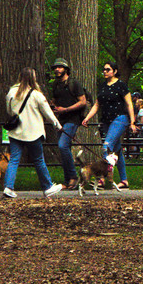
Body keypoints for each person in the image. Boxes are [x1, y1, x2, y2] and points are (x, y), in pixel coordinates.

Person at [4, 67, 64, 198]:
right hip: (33, 133)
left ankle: (8, 187)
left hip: (15, 131)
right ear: (33, 78)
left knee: (14, 160)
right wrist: (58, 125)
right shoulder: (36, 94)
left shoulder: (11, 92)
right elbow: (48, 113)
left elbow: (9, 111)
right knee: (38, 160)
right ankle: (47, 187)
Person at [83, 60, 137, 189]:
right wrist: (87, 118)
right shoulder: (102, 86)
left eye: (108, 69)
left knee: (106, 146)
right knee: (117, 150)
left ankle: (101, 178)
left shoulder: (121, 86)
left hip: (120, 118)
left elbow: (129, 104)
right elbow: (97, 104)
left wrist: (132, 121)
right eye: (104, 70)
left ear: (115, 71)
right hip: (106, 121)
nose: (105, 72)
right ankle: (124, 180)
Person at [49, 59, 90, 189]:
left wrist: (65, 109)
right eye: (55, 67)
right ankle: (68, 181)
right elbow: (55, 100)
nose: (57, 70)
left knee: (62, 146)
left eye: (60, 67)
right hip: (60, 120)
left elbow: (82, 102)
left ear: (66, 69)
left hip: (73, 119)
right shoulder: (56, 84)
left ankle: (73, 177)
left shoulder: (74, 84)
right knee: (63, 149)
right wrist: (52, 106)